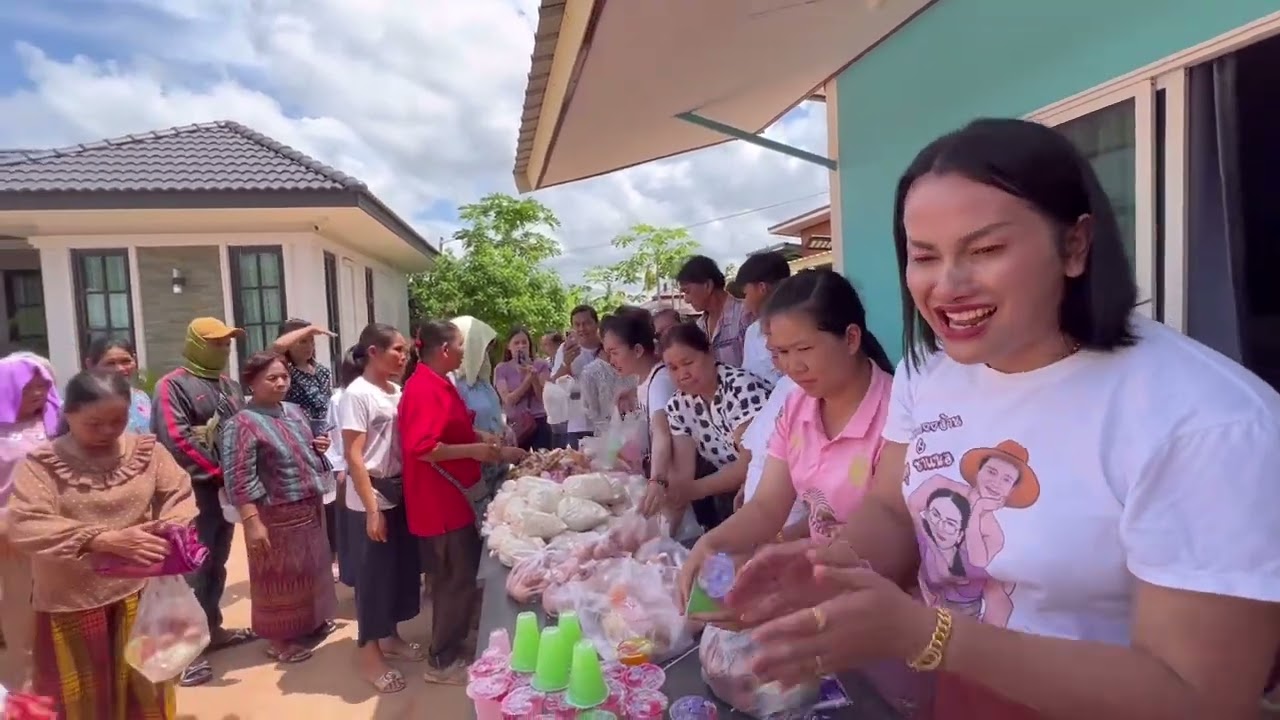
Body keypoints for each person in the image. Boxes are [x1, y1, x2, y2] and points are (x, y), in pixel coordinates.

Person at [727, 118, 1280, 719]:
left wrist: (928, 636)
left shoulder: (1207, 423)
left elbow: (1199, 697)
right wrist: (832, 566)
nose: (948, 286)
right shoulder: (928, 372)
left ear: (1074, 246)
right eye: (924, 257)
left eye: (985, 250)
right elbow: (891, 508)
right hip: (959, 695)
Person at [680, 267, 894, 587]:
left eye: (804, 350)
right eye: (780, 353)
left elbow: (893, 526)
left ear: (851, 338)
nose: (793, 367)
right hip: (820, 582)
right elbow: (767, 505)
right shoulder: (796, 407)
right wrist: (712, 543)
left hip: (882, 593)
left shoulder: (896, 413)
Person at [10, 368, 196, 719]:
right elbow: (26, 523)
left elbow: (179, 492)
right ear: (68, 414)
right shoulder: (43, 465)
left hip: (139, 598)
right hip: (72, 603)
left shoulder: (146, 452)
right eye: (95, 424)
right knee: (81, 702)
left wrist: (170, 528)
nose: (109, 431)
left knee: (144, 690)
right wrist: (103, 539)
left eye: (119, 420)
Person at [400, 319, 525, 684]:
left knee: (462, 575)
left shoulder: (440, 383)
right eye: (459, 346)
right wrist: (480, 451)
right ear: (443, 350)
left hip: (453, 496)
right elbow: (423, 448)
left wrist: (488, 441)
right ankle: (441, 661)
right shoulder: (423, 387)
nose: (463, 353)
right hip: (440, 502)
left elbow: (454, 428)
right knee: (454, 579)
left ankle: (452, 643)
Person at [151, 317, 251, 687]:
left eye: (227, 343)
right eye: (215, 343)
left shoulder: (230, 385)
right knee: (189, 570)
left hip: (225, 493)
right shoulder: (172, 385)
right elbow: (176, 440)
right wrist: (220, 473)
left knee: (216, 563)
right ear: (194, 343)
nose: (223, 349)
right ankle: (184, 653)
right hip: (192, 494)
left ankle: (212, 629)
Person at [220, 352, 338, 664]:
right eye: (272, 378)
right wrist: (252, 521)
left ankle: (309, 624)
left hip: (308, 504)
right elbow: (238, 476)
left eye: (284, 376)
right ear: (252, 383)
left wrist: (319, 445)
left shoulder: (294, 412)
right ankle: (279, 640)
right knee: (276, 579)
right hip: (274, 513)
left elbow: (305, 447)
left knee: (310, 569)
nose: (281, 382)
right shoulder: (241, 424)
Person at [338, 323, 421, 694]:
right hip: (370, 496)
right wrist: (372, 509)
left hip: (399, 490)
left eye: (405, 351)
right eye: (397, 350)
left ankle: (390, 636)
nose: (404, 357)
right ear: (373, 352)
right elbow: (354, 456)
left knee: (397, 570)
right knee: (372, 579)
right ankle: (369, 654)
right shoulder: (357, 395)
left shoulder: (396, 391)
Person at [661, 323, 772, 530]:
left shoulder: (741, 388)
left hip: (771, 488)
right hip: (732, 493)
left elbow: (748, 463)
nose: (682, 374)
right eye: (673, 368)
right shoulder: (678, 406)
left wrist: (690, 491)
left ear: (710, 354)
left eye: (688, 362)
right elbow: (684, 474)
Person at [0, 353, 59, 686]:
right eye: (29, 388)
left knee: (57, 611)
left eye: (43, 386)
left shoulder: (55, 420)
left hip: (55, 532)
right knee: (20, 614)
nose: (39, 394)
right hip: (11, 538)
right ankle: (25, 689)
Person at [600, 311, 678, 523]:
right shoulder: (647, 381)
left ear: (637, 350)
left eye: (614, 352)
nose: (611, 360)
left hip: (677, 484)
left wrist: (657, 481)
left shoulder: (660, 382)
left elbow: (662, 433)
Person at [676, 255, 752, 367]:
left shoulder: (745, 314)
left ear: (708, 285)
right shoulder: (700, 326)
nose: (686, 300)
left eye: (687, 291)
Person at [326, 350, 362, 584]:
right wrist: (340, 469)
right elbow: (334, 436)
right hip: (348, 471)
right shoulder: (339, 398)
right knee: (352, 528)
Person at [551, 305, 606, 448]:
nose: (582, 328)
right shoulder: (565, 350)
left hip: (607, 423)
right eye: (577, 324)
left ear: (596, 324)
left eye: (587, 323)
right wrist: (566, 364)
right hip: (578, 423)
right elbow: (555, 384)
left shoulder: (608, 347)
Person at [733, 251, 792, 383]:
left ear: (761, 288)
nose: (745, 303)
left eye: (746, 294)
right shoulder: (753, 332)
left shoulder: (803, 325)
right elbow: (748, 380)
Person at [494, 326, 553, 451]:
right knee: (519, 463)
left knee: (543, 460)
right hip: (517, 424)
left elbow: (543, 398)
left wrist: (534, 378)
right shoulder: (501, 369)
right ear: (508, 346)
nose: (521, 346)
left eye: (524, 342)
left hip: (539, 421)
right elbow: (508, 400)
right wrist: (527, 380)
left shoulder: (541, 365)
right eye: (516, 343)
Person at [85, 337, 151, 433]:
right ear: (90, 365)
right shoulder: (82, 403)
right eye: (110, 363)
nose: (120, 368)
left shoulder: (142, 398)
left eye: (126, 361)